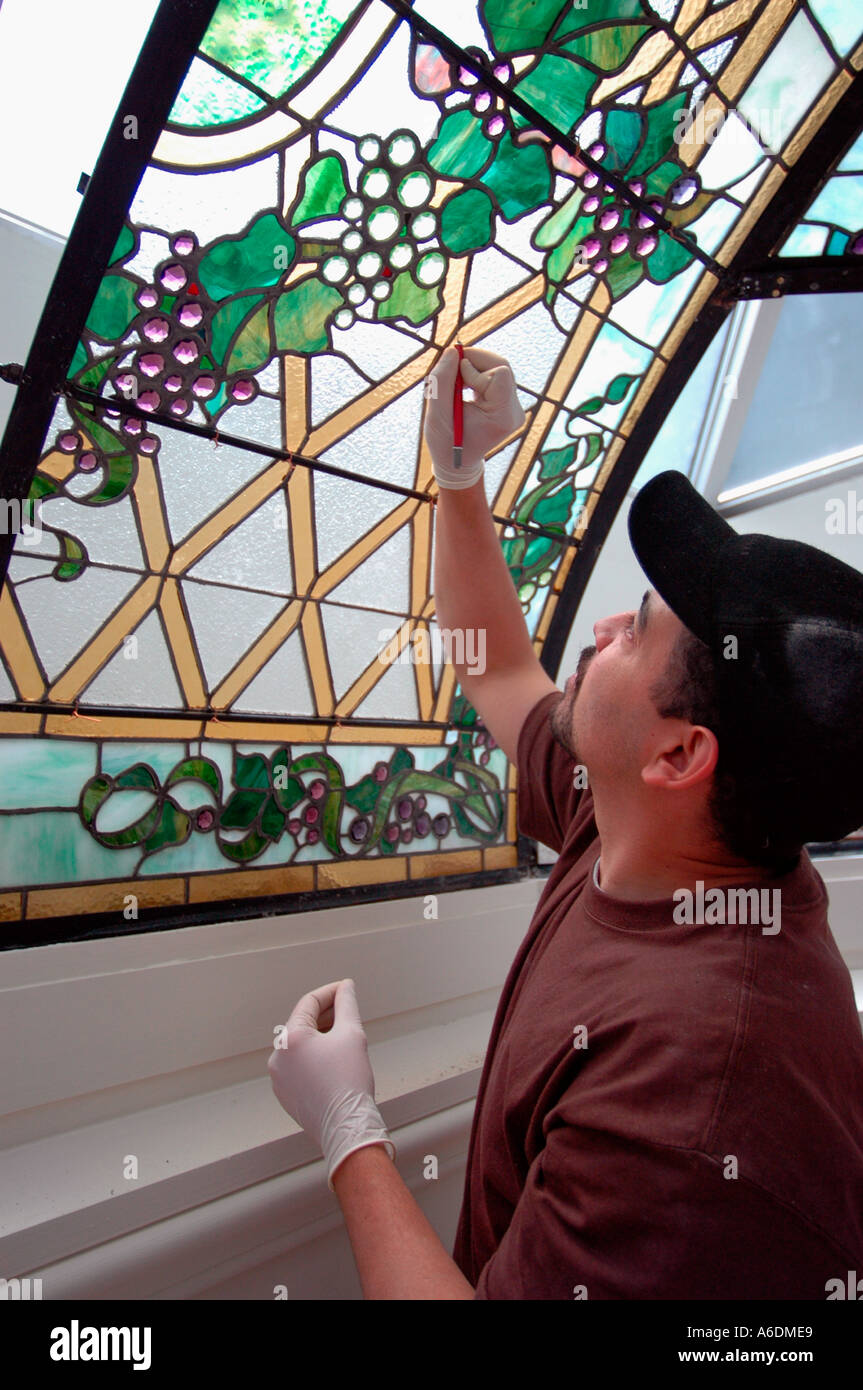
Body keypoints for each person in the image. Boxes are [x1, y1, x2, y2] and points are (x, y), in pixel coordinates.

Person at [268, 345, 863, 1299]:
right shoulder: (651, 823)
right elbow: (498, 667)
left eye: (636, 627)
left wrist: (348, 1133)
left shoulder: (696, 1106)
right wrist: (461, 475)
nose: (598, 633)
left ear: (679, 756)